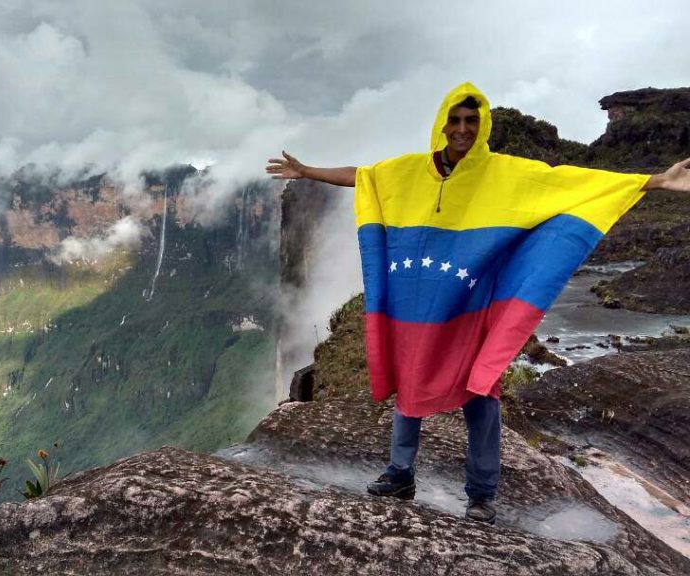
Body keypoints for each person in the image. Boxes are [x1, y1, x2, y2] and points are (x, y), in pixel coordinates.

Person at [266, 82, 690, 525]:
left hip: (472, 307)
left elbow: (568, 181)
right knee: (410, 387)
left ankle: (482, 494)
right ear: (442, 124)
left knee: (480, 392)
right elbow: (364, 176)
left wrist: (657, 180)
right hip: (418, 308)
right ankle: (399, 473)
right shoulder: (411, 171)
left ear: (482, 125)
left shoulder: (502, 173)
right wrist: (308, 172)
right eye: (455, 119)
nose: (463, 129)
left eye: (472, 120)